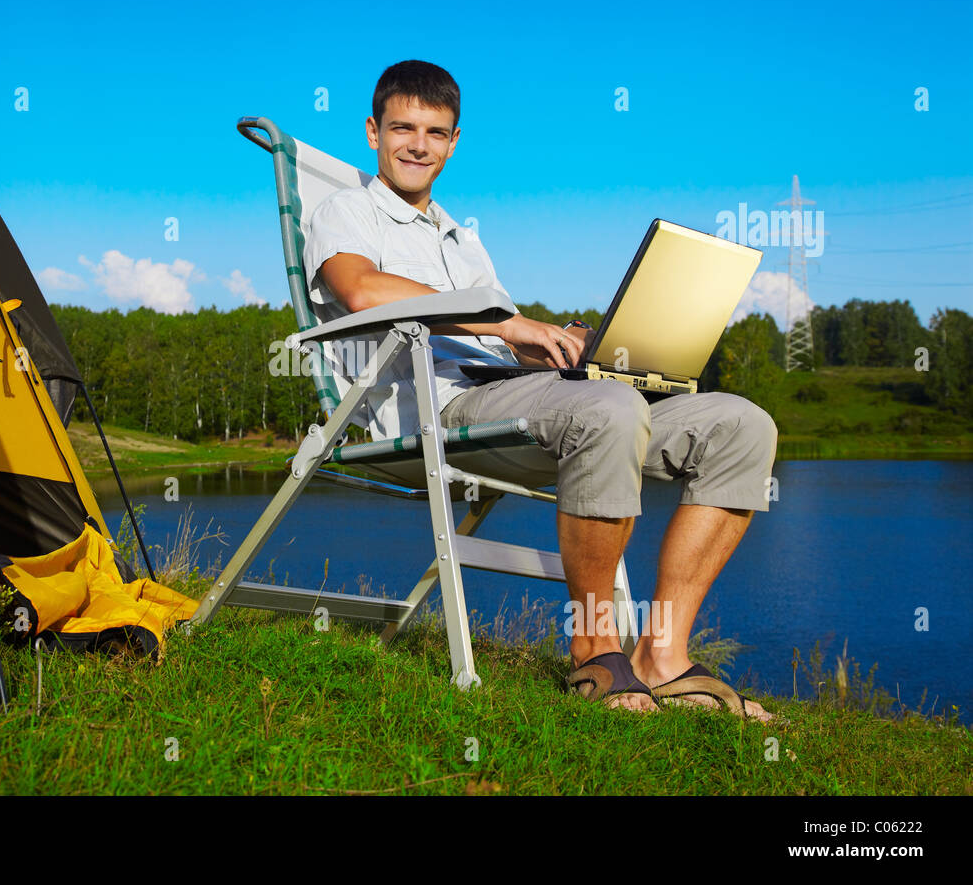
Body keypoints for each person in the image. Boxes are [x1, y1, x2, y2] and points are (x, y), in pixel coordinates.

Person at [302, 59, 778, 719]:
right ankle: (594, 655)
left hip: (512, 393)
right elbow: (361, 288)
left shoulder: (462, 240)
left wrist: (565, 344)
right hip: (434, 411)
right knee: (606, 409)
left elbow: (503, 338)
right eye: (402, 128)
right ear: (373, 132)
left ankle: (661, 658)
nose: (418, 145)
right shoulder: (345, 211)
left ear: (454, 141)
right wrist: (511, 323)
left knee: (741, 425)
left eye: (435, 132)